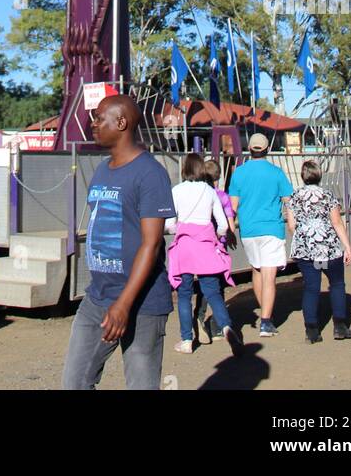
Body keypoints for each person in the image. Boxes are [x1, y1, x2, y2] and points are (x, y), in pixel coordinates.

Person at [62, 95, 176, 391]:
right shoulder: (101, 169)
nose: (93, 124)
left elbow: (151, 245)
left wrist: (124, 304)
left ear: (121, 122)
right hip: (97, 299)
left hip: (141, 303)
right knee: (74, 383)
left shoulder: (151, 174)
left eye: (100, 118)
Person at [165, 153, 243, 356]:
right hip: (206, 246)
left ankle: (186, 340)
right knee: (213, 292)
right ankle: (226, 327)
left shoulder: (176, 190)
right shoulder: (209, 191)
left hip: (185, 248)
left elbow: (170, 224)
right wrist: (215, 236)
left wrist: (181, 229)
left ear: (185, 169)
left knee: (184, 295)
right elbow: (224, 225)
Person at [228, 132, 293, 337]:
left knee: (256, 270)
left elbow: (233, 206)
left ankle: (266, 314)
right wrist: (291, 221)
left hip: (248, 230)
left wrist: (230, 229)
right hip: (271, 228)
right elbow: (287, 200)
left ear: (250, 150)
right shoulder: (276, 172)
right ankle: (266, 321)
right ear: (266, 149)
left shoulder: (239, 173)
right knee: (269, 275)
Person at [286, 159, 351, 342]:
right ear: (319, 175)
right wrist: (347, 246)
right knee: (337, 284)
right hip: (328, 248)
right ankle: (340, 326)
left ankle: (312, 330)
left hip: (307, 250)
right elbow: (337, 222)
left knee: (311, 287)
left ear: (303, 176)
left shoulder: (294, 197)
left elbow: (291, 226)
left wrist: (304, 236)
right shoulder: (327, 195)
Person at [194, 157, 239, 341]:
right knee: (217, 284)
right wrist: (229, 235)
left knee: (205, 284)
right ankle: (218, 326)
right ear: (218, 177)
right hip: (218, 247)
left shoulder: (197, 194)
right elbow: (230, 225)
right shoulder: (221, 196)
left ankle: (199, 317)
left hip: (200, 243)